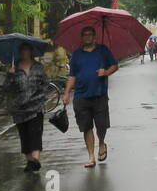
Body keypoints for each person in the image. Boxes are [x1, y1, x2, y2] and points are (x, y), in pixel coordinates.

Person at [62, 26, 119, 168]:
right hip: (81, 96)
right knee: (86, 127)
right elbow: (72, 75)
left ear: (94, 36)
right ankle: (91, 156)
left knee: (101, 126)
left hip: (99, 95)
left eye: (90, 34)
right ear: (82, 37)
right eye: (84, 34)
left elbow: (115, 65)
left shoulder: (103, 50)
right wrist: (67, 92)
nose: (87, 37)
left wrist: (105, 72)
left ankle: (101, 143)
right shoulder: (76, 54)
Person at [7, 43, 50, 173]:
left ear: (31, 51)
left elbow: (46, 83)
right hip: (19, 109)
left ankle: (35, 160)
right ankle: (30, 161)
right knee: (24, 136)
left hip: (35, 107)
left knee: (35, 134)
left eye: (26, 50)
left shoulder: (38, 67)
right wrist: (10, 76)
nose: (24, 52)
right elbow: (7, 88)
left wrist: (41, 96)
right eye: (22, 50)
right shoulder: (14, 68)